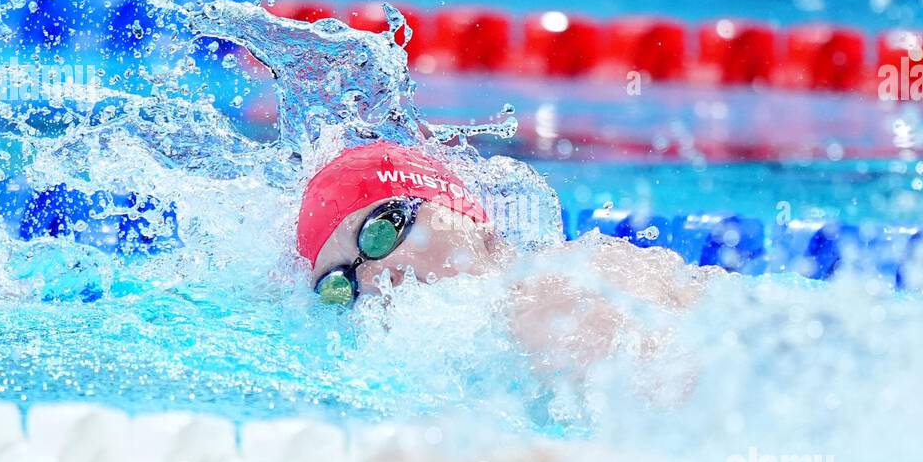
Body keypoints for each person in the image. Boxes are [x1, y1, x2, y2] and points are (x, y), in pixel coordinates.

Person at [297, 140, 717, 382]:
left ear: (461, 212)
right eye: (340, 285)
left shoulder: (559, 287)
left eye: (379, 232)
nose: (372, 277)